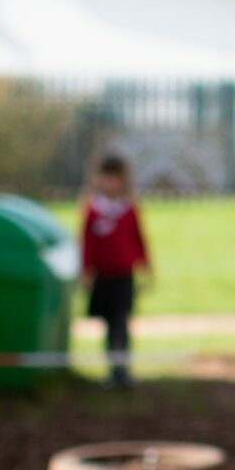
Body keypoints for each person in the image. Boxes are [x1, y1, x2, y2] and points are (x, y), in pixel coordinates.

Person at [80, 153, 150, 388]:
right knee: (109, 323)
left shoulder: (129, 209)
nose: (111, 183)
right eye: (106, 178)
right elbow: (86, 242)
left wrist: (145, 266)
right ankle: (113, 370)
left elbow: (139, 239)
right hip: (102, 276)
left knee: (122, 321)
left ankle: (124, 370)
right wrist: (85, 270)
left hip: (124, 275)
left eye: (115, 178)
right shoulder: (92, 210)